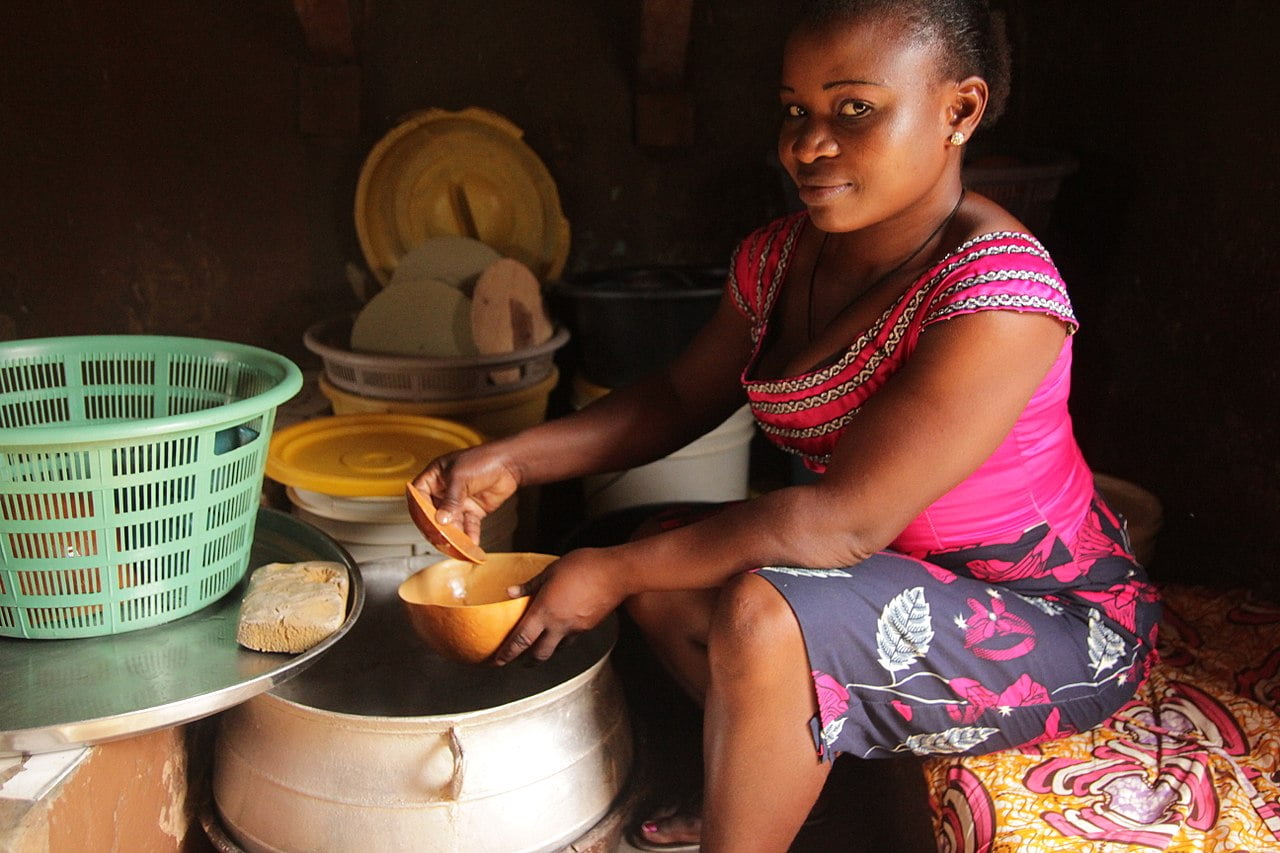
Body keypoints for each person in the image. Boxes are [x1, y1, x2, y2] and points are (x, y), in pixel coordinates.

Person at [414, 1, 1160, 849]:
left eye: (854, 109)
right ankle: (768, 780)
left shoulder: (996, 296)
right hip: (878, 579)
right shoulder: (778, 258)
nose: (808, 144)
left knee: (762, 611)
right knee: (654, 559)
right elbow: (672, 400)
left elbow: (838, 522)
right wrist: (510, 460)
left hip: (1041, 617)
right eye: (795, 110)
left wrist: (609, 572)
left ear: (960, 110)